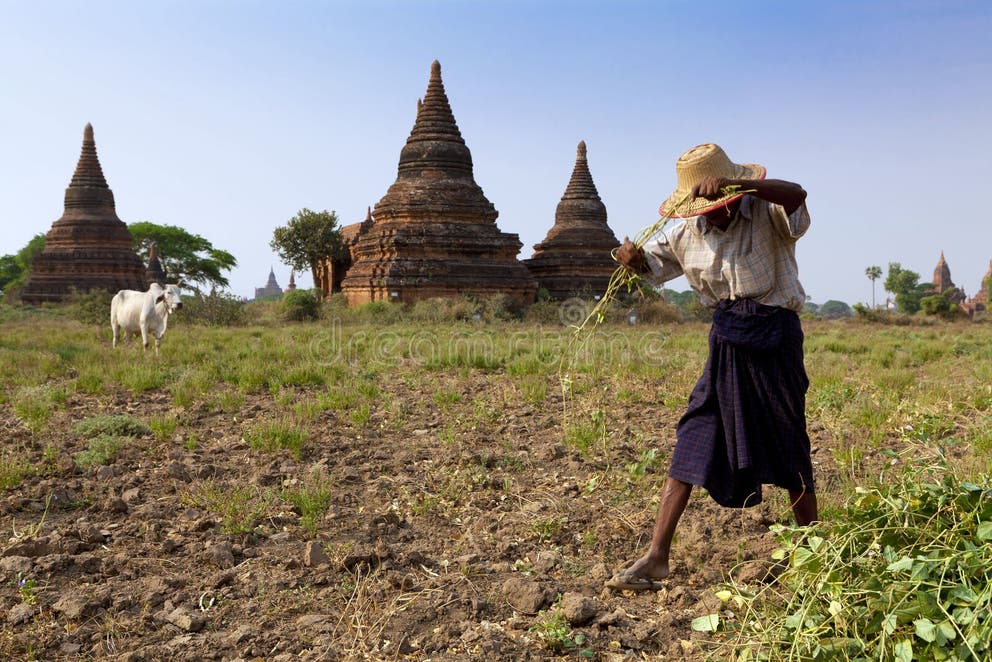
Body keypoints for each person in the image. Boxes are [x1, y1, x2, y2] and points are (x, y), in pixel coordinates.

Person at [607, 143, 818, 591]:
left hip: (774, 336)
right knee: (695, 433)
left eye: (722, 204)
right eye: (709, 207)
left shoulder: (765, 208)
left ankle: (815, 546)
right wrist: (632, 261)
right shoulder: (686, 230)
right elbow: (652, 267)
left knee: (787, 438)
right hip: (726, 342)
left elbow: (797, 193)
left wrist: (744, 185)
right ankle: (657, 555)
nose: (716, 214)